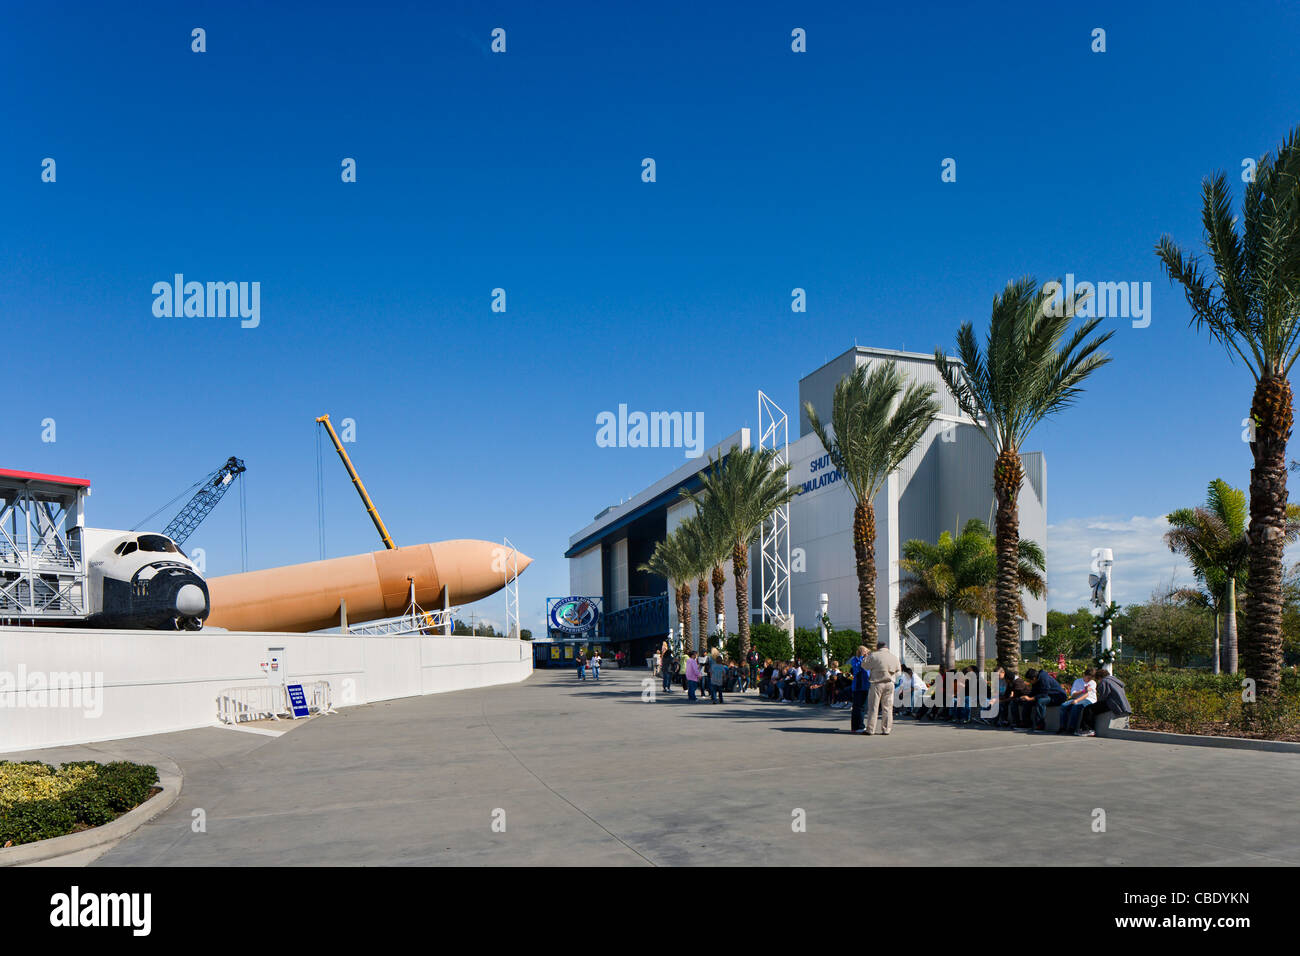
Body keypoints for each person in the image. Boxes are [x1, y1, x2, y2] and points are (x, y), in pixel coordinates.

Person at [1081, 668, 1132, 736]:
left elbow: (1103, 696)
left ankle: (1088, 730)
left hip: (1114, 704)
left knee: (1088, 709)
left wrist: (1097, 702)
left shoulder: (1105, 681)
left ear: (1099, 677)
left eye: (1098, 679)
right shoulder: (1115, 680)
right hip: (1123, 705)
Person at [864, 641, 901, 735]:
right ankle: (886, 729)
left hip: (877, 683)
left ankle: (871, 729)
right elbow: (898, 670)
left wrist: (865, 657)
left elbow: (865, 666)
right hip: (890, 683)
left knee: (873, 707)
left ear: (877, 647)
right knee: (888, 707)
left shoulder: (874, 655)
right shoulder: (894, 657)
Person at [1023, 667, 1067, 733]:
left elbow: (1044, 694)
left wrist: (1031, 698)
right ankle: (1027, 724)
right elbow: (1034, 692)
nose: (1030, 682)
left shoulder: (1044, 678)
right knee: (1027, 702)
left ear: (1034, 678)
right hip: (1049, 695)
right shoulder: (1036, 680)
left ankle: (1040, 725)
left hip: (1057, 697)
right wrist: (1027, 697)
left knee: (1040, 701)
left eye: (1030, 681)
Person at [1057, 668, 1096, 734]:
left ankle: (1072, 728)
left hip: (1089, 699)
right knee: (1063, 706)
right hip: (1077, 698)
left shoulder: (1092, 683)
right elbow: (1073, 695)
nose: (1089, 680)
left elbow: (1086, 695)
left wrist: (1077, 701)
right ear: (1084, 675)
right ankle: (1062, 727)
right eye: (1088, 678)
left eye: (1091, 678)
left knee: (1076, 706)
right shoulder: (1077, 681)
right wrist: (1082, 691)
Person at [848, 646, 871, 733]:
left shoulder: (867, 659)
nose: (866, 653)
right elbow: (857, 669)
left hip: (865, 685)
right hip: (858, 686)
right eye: (865, 651)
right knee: (858, 707)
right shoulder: (855, 660)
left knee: (861, 707)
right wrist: (861, 657)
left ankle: (857, 726)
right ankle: (858, 726)